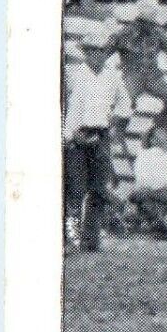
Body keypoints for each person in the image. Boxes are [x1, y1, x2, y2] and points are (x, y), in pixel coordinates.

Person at [64, 35, 132, 252]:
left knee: (98, 188)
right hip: (76, 133)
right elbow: (67, 108)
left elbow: (125, 103)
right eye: (93, 51)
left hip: (101, 134)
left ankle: (90, 241)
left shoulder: (113, 77)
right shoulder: (73, 75)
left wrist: (114, 123)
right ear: (86, 53)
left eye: (102, 51)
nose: (98, 55)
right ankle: (70, 239)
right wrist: (69, 135)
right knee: (75, 189)